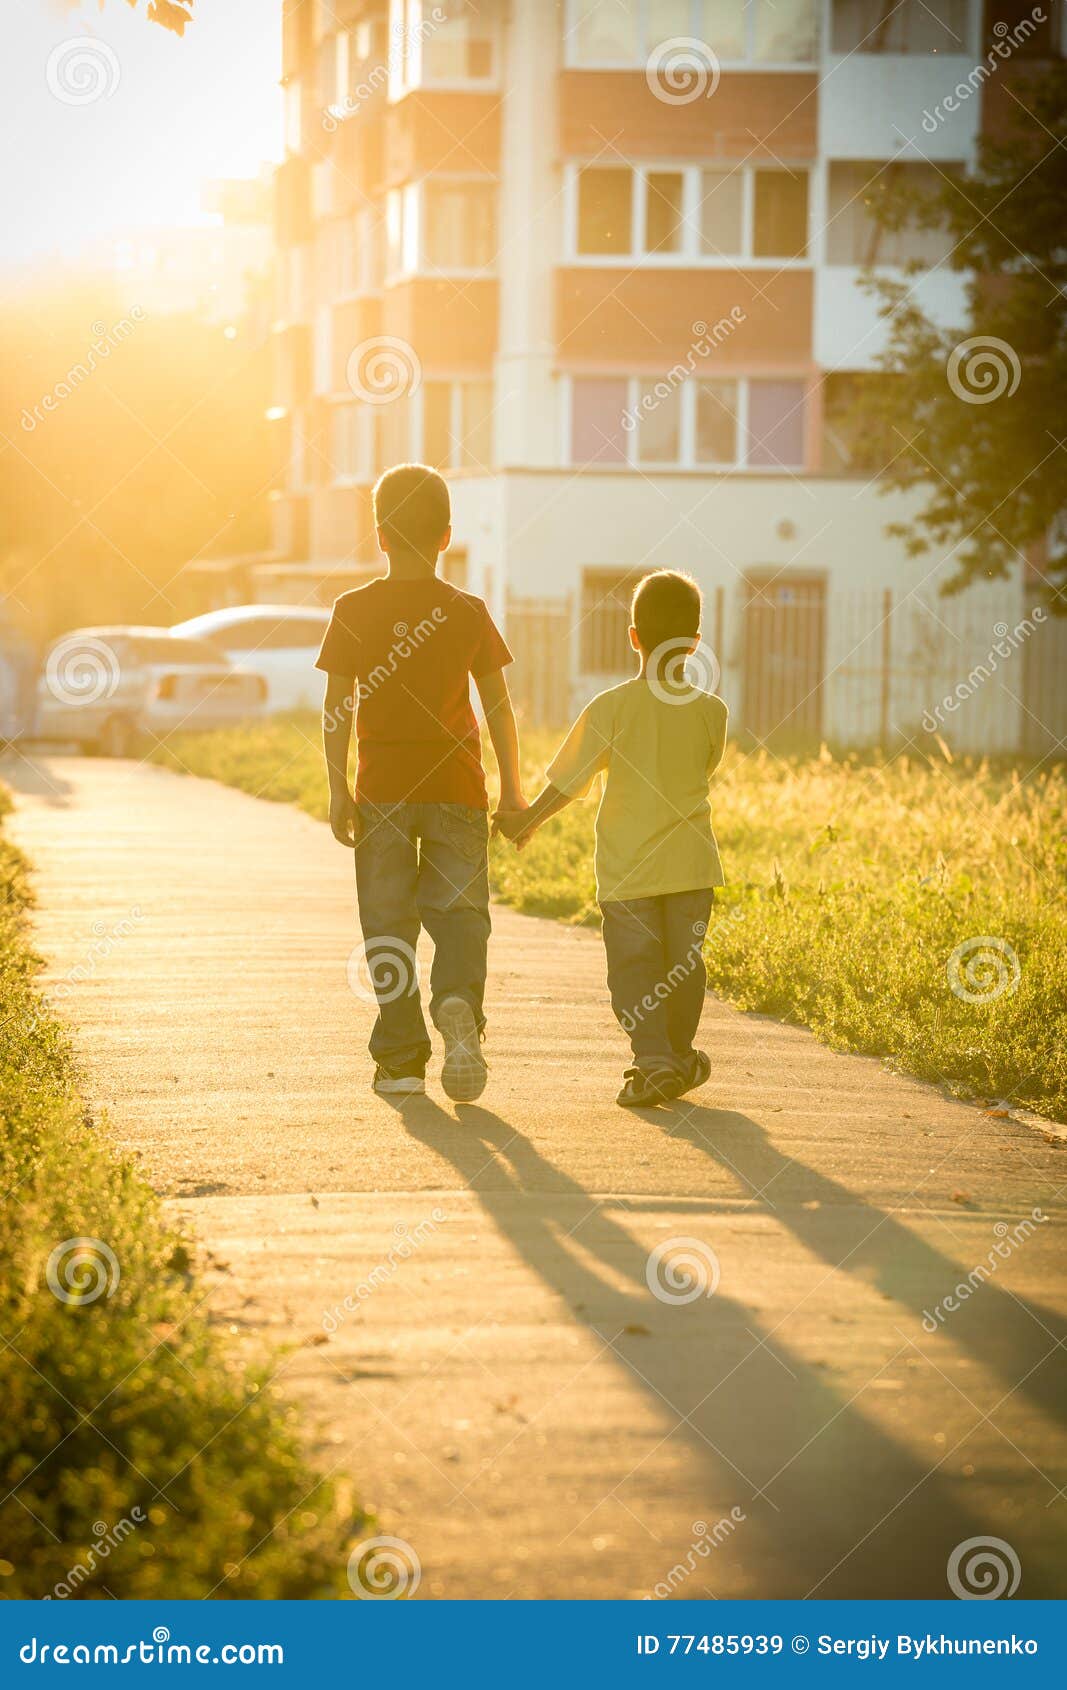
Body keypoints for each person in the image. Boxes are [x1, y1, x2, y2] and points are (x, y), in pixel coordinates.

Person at [316, 463, 527, 1102]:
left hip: (382, 788)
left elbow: (338, 709)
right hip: (458, 788)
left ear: (379, 535)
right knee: (461, 916)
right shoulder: (467, 611)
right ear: (447, 537)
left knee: (387, 921)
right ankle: (459, 1002)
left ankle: (402, 1057)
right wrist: (513, 789)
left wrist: (336, 788)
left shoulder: (352, 609)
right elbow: (498, 708)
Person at [496, 570, 727, 1107]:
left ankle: (654, 1063)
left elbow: (567, 783)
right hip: (692, 869)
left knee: (633, 971)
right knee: (683, 967)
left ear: (632, 636)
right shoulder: (712, 711)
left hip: (628, 874)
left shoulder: (611, 708)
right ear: (695, 642)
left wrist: (525, 820)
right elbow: (706, 768)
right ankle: (678, 1055)